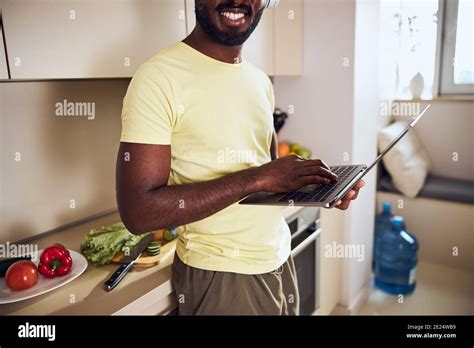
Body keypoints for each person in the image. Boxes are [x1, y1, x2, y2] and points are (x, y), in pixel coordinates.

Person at [116, 0, 364, 315]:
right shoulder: (157, 77)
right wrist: (258, 177)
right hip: (223, 276)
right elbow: (138, 211)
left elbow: (269, 182)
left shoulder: (259, 80)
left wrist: (321, 190)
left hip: (277, 258)